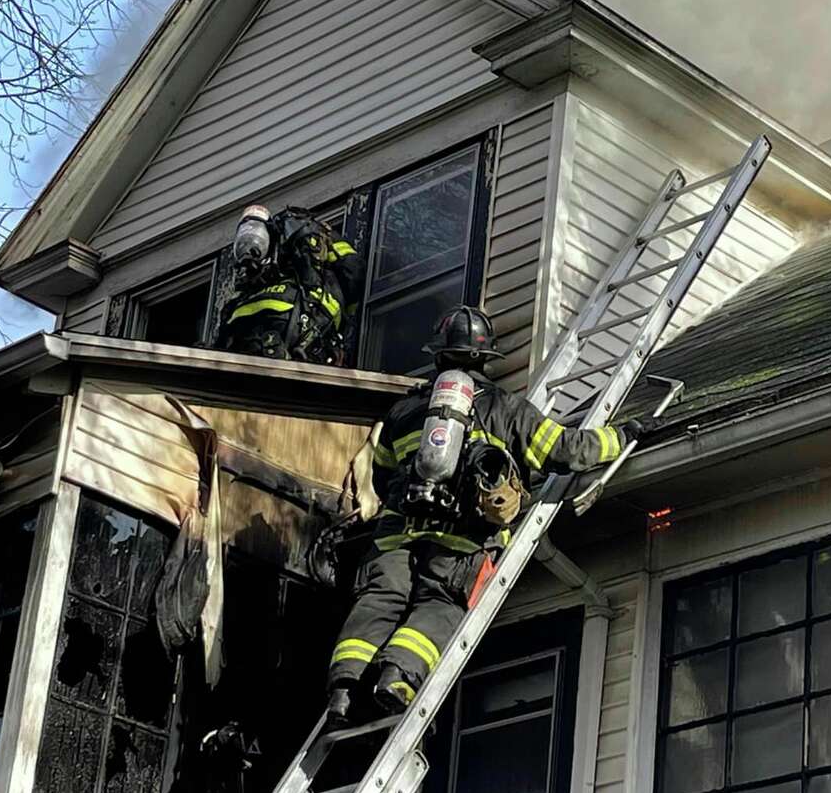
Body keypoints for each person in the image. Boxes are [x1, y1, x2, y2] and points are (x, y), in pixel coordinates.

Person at [326, 305, 648, 721]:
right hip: (462, 543)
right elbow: (566, 451)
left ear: (439, 355)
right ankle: (397, 677)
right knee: (441, 604)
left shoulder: (401, 414)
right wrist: (622, 435)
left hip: (395, 538)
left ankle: (343, 689)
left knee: (378, 601)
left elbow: (384, 478)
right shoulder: (506, 409)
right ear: (484, 358)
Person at [220, 204, 363, 365]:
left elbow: (352, 273)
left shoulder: (305, 282)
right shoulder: (242, 299)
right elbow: (353, 276)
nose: (249, 250)